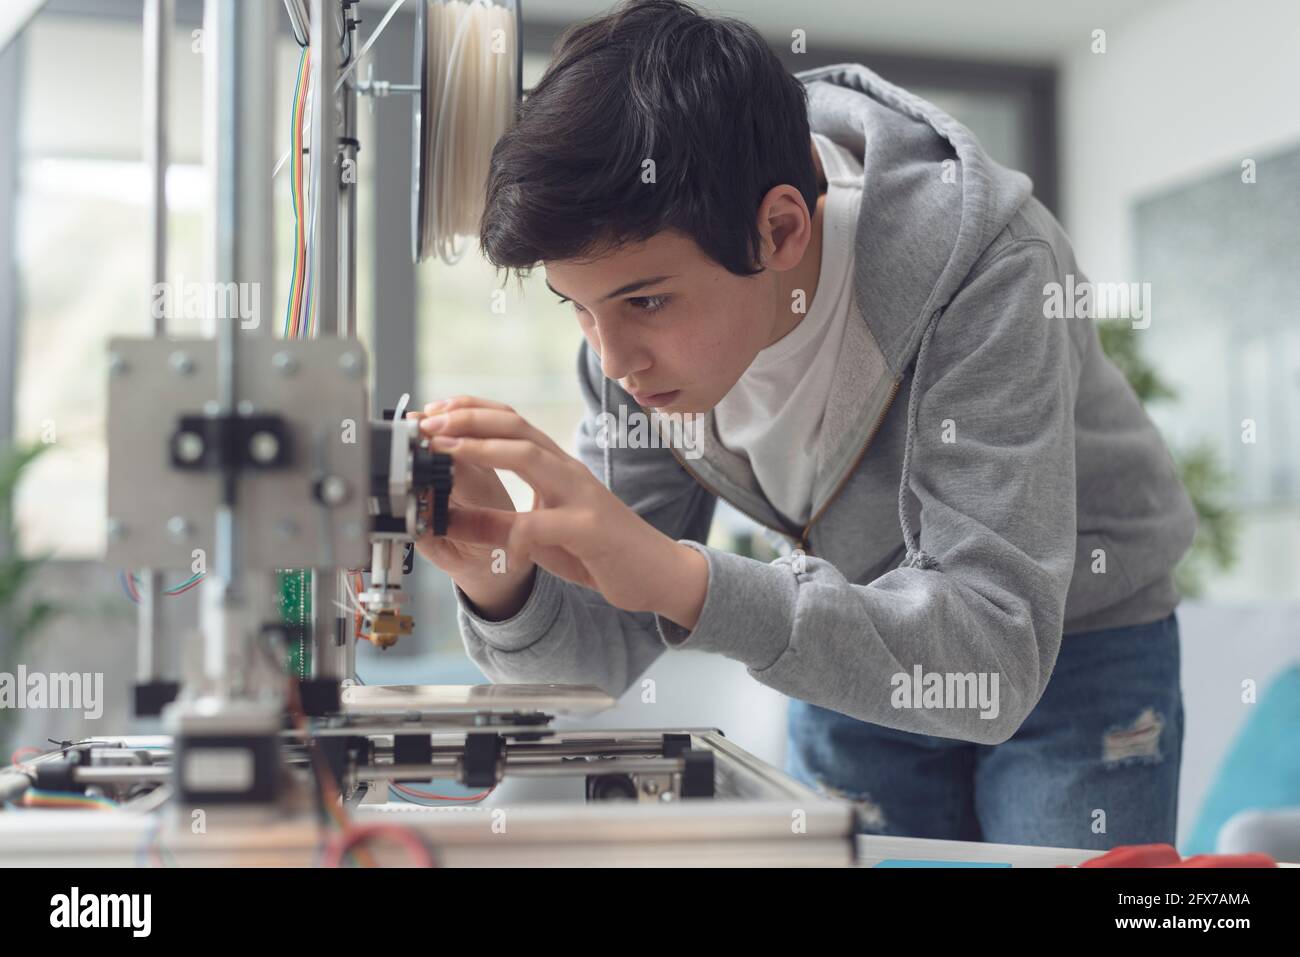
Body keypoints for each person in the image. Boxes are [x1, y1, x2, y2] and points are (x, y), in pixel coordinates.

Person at [410, 0, 1197, 849]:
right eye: (578, 308)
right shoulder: (631, 362)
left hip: (1076, 644)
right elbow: (594, 661)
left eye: (646, 299)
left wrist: (684, 579)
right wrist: (502, 571)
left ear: (781, 227)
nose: (611, 361)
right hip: (854, 634)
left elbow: (991, 659)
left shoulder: (990, 273)